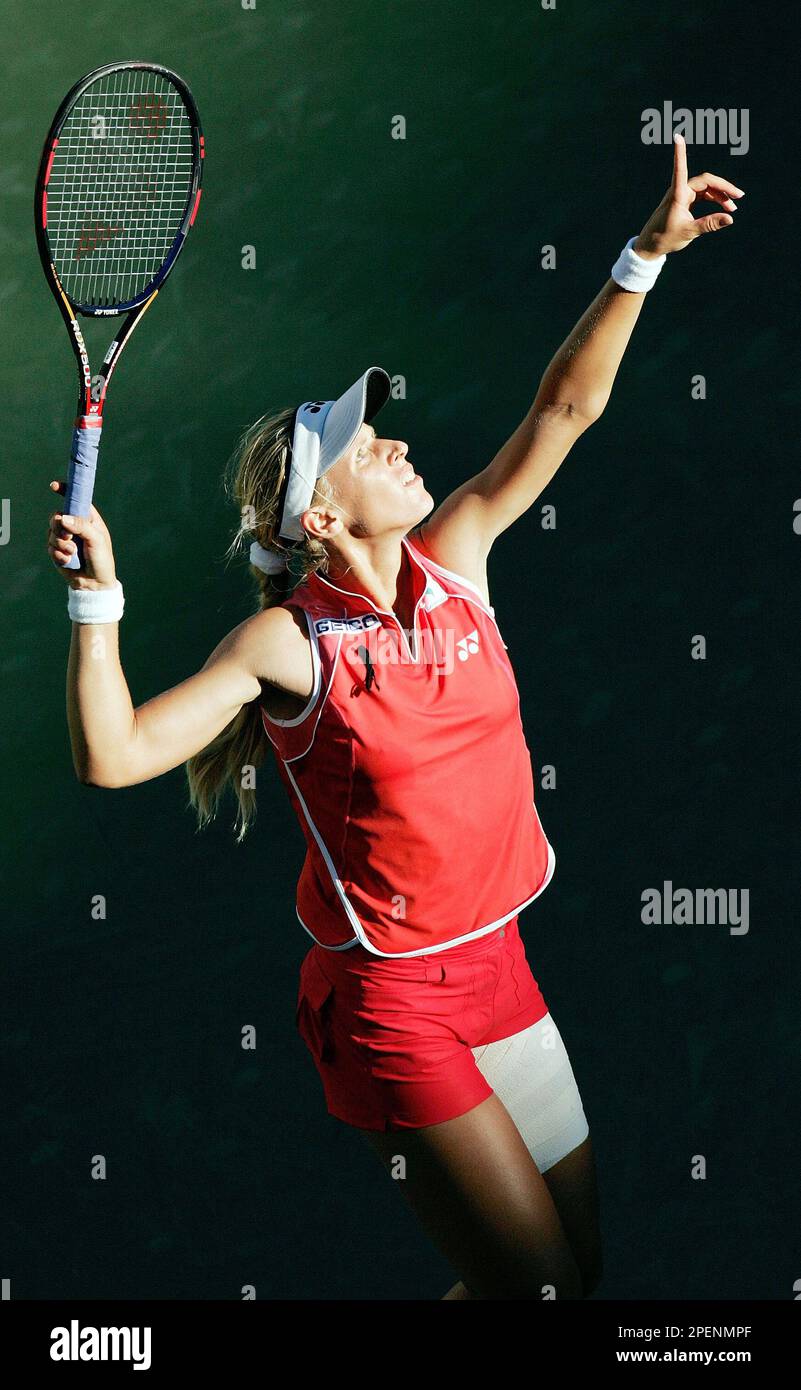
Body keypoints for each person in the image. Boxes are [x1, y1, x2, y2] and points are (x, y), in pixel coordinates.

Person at [47, 135, 743, 1300]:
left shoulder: (457, 559)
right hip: (392, 1008)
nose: (400, 442)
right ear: (318, 517)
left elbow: (564, 410)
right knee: (540, 1291)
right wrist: (96, 598)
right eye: (368, 447)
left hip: (503, 970)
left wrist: (641, 256)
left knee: (578, 1275)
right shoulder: (289, 643)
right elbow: (112, 757)